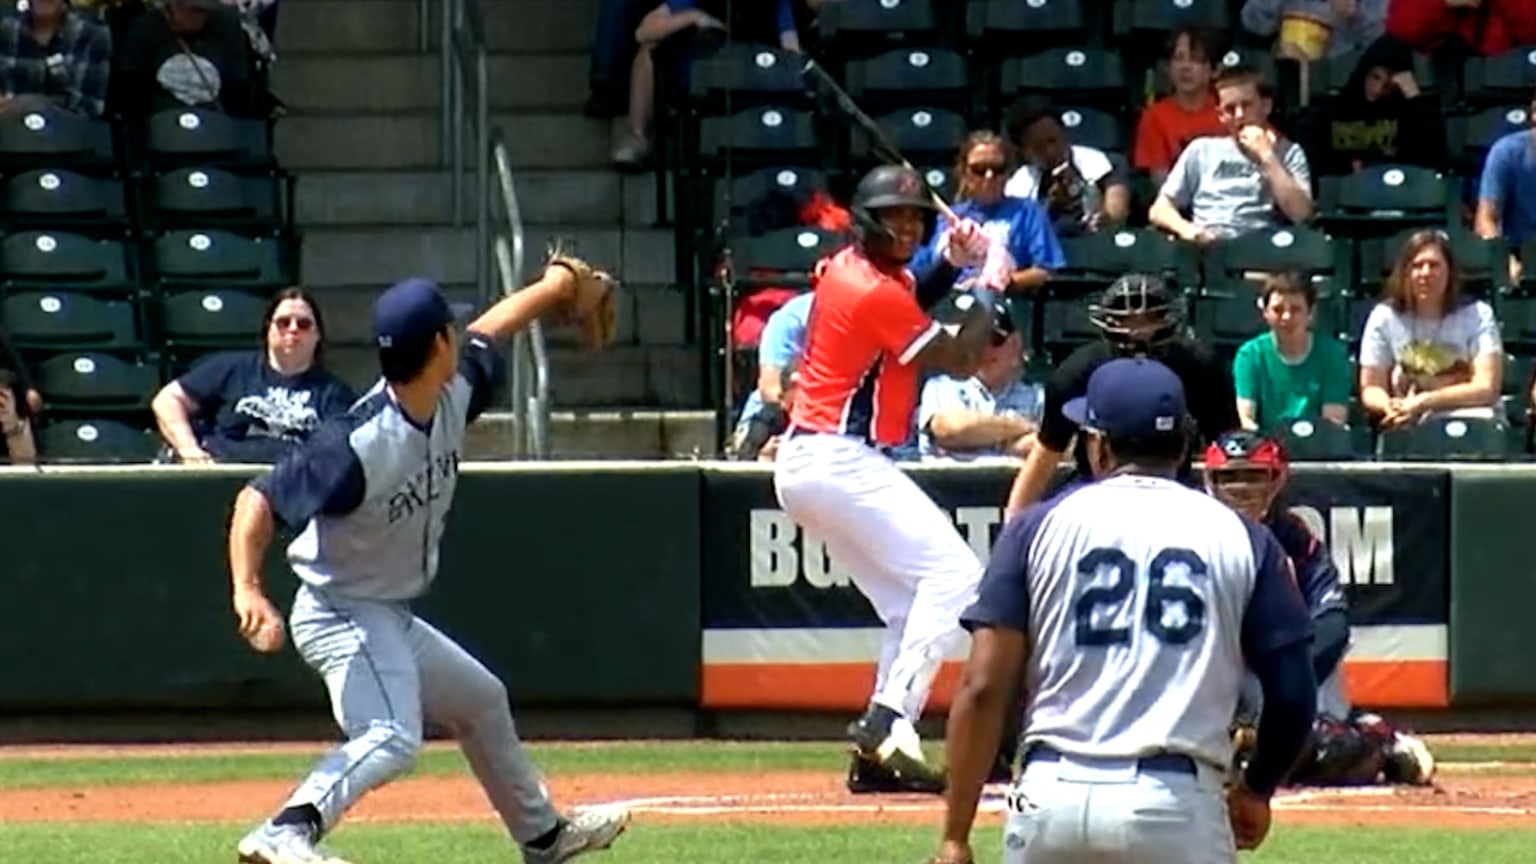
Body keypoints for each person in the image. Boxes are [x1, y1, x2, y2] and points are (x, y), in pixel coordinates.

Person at [225, 254, 627, 864]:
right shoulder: (354, 445)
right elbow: (256, 500)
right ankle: (287, 829)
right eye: (450, 328)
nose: (460, 336)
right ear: (437, 344)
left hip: (385, 611)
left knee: (481, 700)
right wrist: (248, 589)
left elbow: (496, 326)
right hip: (339, 611)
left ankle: (543, 837)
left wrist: (557, 287)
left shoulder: (452, 388)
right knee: (390, 735)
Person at [933, 358, 1318, 864]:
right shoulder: (1245, 538)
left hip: (1052, 796)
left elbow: (983, 687)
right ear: (1184, 444)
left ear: (1099, 445)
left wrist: (955, 837)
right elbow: (1293, 694)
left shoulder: (1034, 529)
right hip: (1177, 801)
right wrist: (1258, 786)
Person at [773, 163, 998, 794]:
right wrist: (991, 283)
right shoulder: (871, 289)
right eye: (893, 217)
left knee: (907, 604)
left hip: (813, 460)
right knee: (957, 577)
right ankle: (888, 719)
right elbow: (958, 355)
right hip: (836, 456)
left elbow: (908, 303)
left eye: (914, 219)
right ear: (866, 221)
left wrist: (951, 264)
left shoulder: (856, 273)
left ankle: (877, 756)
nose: (905, 228)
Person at [1204, 430, 1437, 788]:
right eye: (1229, 476)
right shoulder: (1190, 535)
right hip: (1210, 673)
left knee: (1307, 748)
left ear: (1278, 478)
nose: (1240, 488)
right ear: (1209, 480)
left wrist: (1284, 681)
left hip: (1281, 673)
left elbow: (1333, 621)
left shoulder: (1296, 539)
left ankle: (1378, 741)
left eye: (1253, 475)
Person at [1002, 273, 1240, 520]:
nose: (1138, 331)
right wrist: (1013, 525)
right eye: (1126, 319)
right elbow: (1046, 454)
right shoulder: (1077, 372)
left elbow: (1229, 454)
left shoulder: (1201, 367)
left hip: (1176, 489)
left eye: (1149, 318)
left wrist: (1238, 525)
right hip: (1095, 490)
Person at [151, 288, 357, 464]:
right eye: (283, 322)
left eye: (303, 324)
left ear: (317, 335)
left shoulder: (335, 393)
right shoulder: (231, 368)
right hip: (222, 478)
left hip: (291, 490)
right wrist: (189, 450)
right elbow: (167, 400)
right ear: (268, 329)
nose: (293, 330)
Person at [908, 130, 1065, 295]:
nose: (989, 176)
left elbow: (1047, 271)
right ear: (964, 173)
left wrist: (1006, 281)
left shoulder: (1028, 212)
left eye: (998, 169)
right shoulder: (944, 219)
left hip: (1002, 306)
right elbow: (915, 273)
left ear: (1008, 173)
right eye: (979, 169)